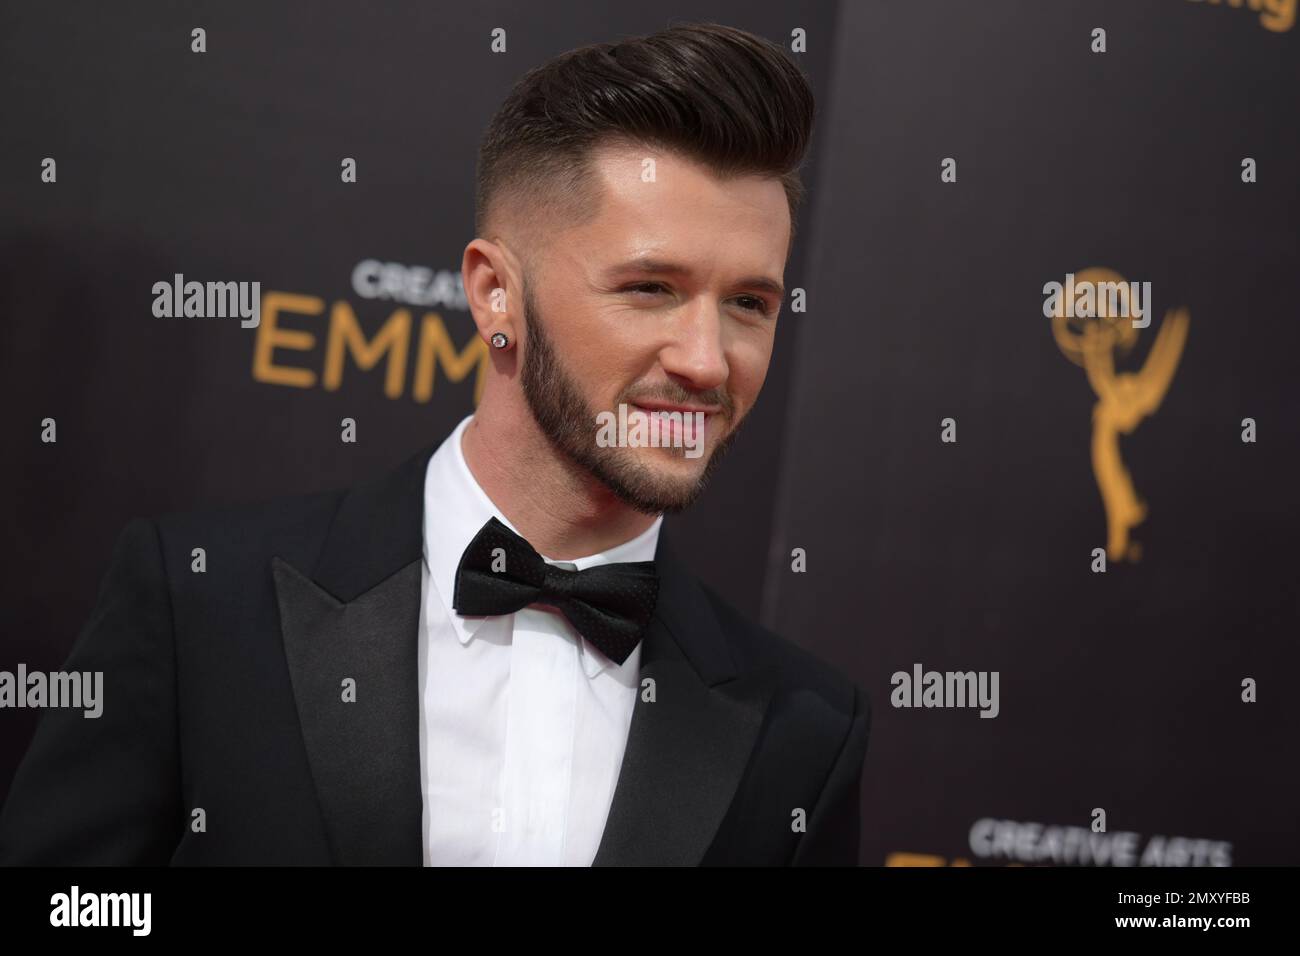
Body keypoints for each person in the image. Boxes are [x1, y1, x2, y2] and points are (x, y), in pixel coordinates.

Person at [0, 21, 869, 866]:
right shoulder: (200, 602)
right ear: (495, 294)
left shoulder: (806, 728)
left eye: (749, 304)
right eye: (649, 288)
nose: (706, 361)